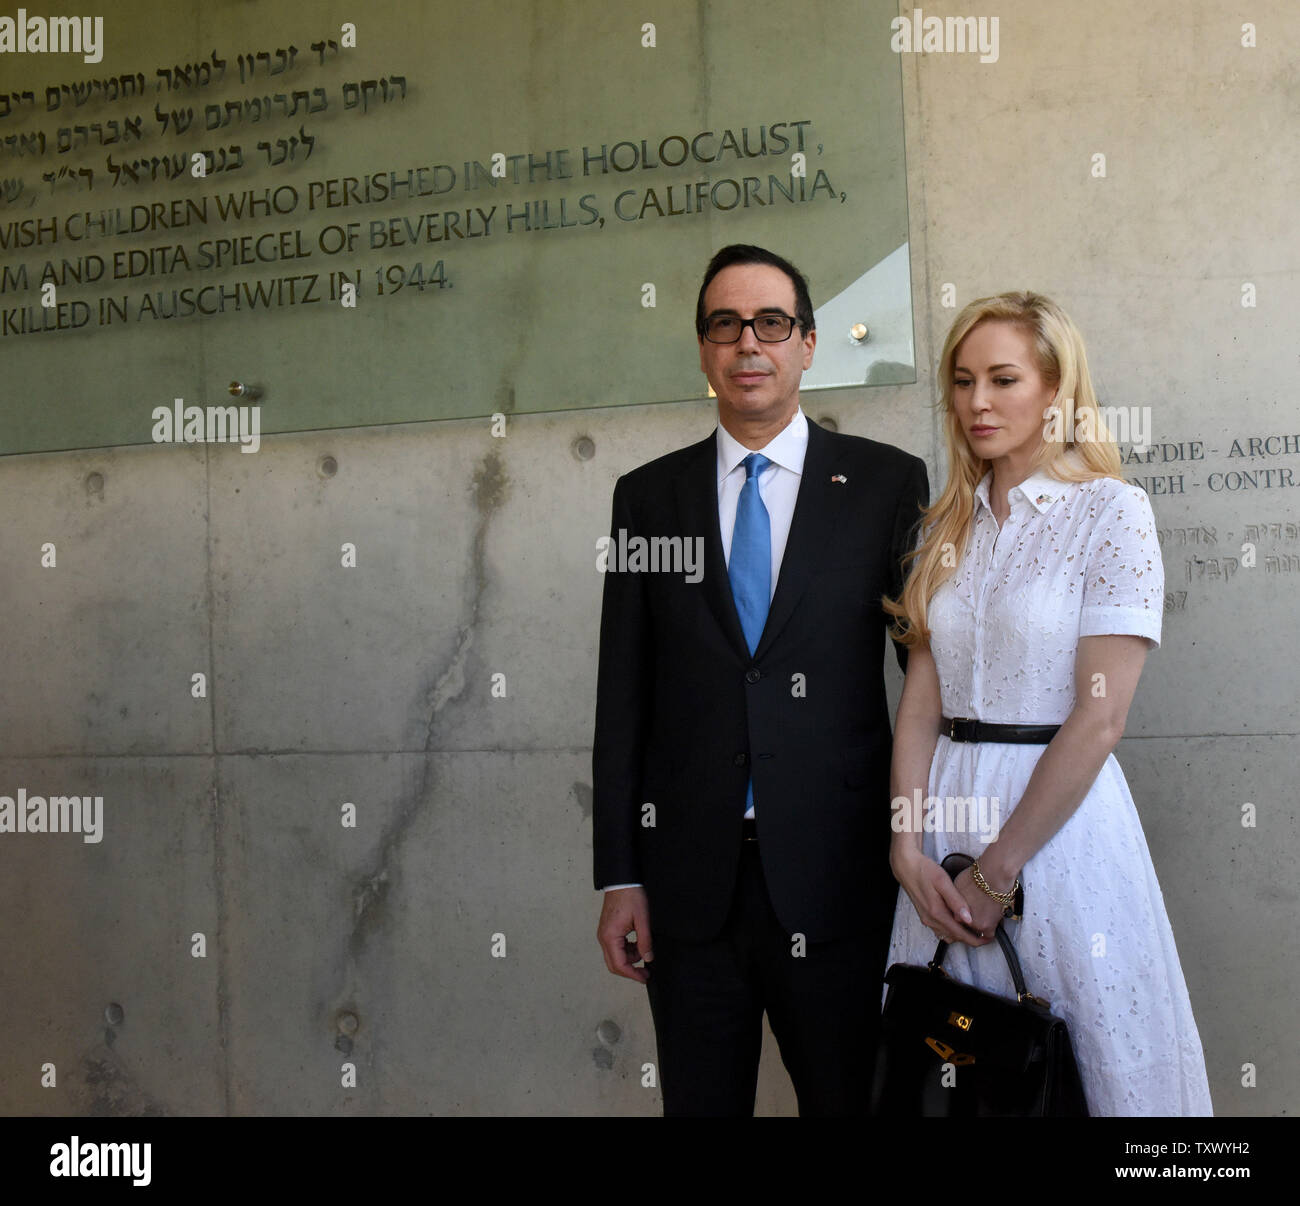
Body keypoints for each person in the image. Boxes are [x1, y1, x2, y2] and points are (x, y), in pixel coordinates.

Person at [592, 244, 928, 1115]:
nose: (749, 343)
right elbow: (623, 696)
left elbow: (926, 681)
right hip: (689, 892)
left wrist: (933, 842)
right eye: (724, 325)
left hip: (841, 878)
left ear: (808, 344)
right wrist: (619, 875)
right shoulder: (647, 499)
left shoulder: (887, 486)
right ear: (703, 349)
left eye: (771, 323)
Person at [883, 291, 1213, 1115]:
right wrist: (905, 848)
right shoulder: (944, 526)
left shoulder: (1112, 513)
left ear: (1057, 389)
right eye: (962, 381)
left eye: (1003, 378)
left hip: (1056, 832)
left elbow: (1100, 716)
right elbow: (920, 707)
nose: (978, 403)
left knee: (1080, 1060)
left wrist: (998, 871)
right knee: (955, 1065)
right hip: (943, 827)